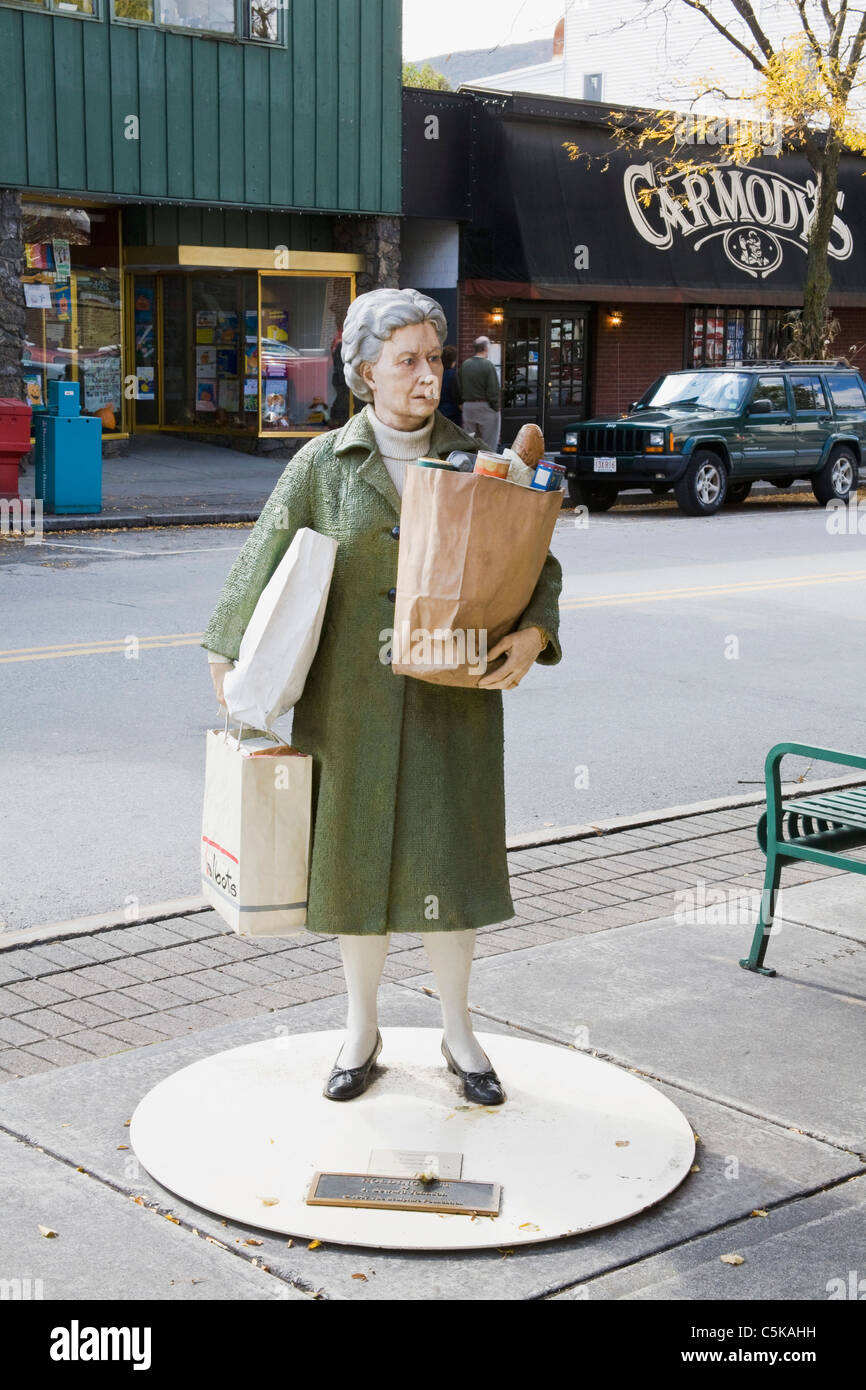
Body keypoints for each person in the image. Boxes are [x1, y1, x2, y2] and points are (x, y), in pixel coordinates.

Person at [202, 288, 561, 1106]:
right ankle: (359, 1029)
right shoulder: (323, 465)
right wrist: (227, 653)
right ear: (365, 373)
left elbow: (537, 563)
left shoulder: (485, 462)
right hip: (349, 703)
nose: (427, 376)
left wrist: (535, 633)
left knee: (450, 863)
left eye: (436, 359)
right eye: (408, 361)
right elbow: (259, 560)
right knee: (353, 871)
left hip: (455, 696)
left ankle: (460, 1033)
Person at [459, 335, 501, 452]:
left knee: (470, 441)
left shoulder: (465, 364)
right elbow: (493, 389)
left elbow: (458, 385)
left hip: (468, 407)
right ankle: (488, 469)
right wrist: (495, 407)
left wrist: (461, 403)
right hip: (485, 407)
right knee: (489, 443)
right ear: (486, 349)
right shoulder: (488, 365)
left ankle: (471, 466)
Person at [438, 344, 462, 426]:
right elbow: (457, 395)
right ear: (453, 361)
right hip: (452, 413)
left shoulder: (436, 374)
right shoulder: (453, 375)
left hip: (438, 412)